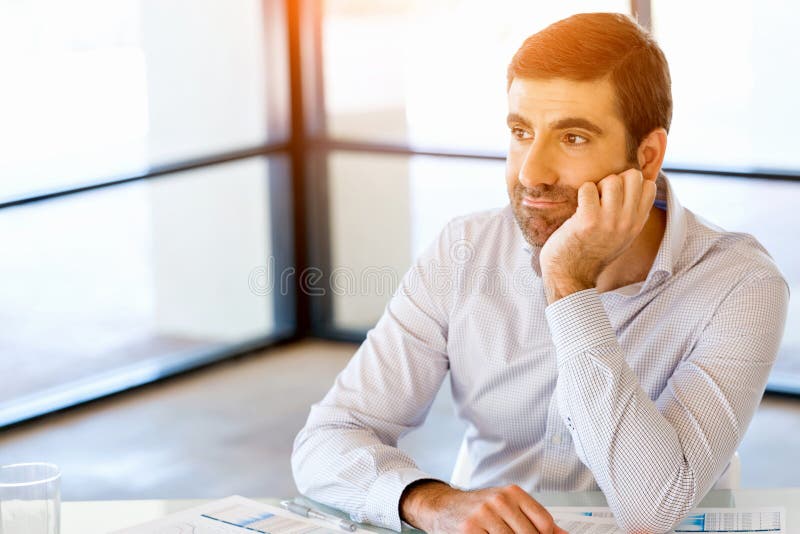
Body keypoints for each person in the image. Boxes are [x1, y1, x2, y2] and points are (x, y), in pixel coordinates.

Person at [291, 12, 788, 534]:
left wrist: (568, 285)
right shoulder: (463, 252)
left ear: (647, 157)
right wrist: (430, 502)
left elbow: (655, 508)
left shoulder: (740, 285)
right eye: (521, 132)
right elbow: (328, 438)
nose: (531, 172)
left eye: (572, 138)